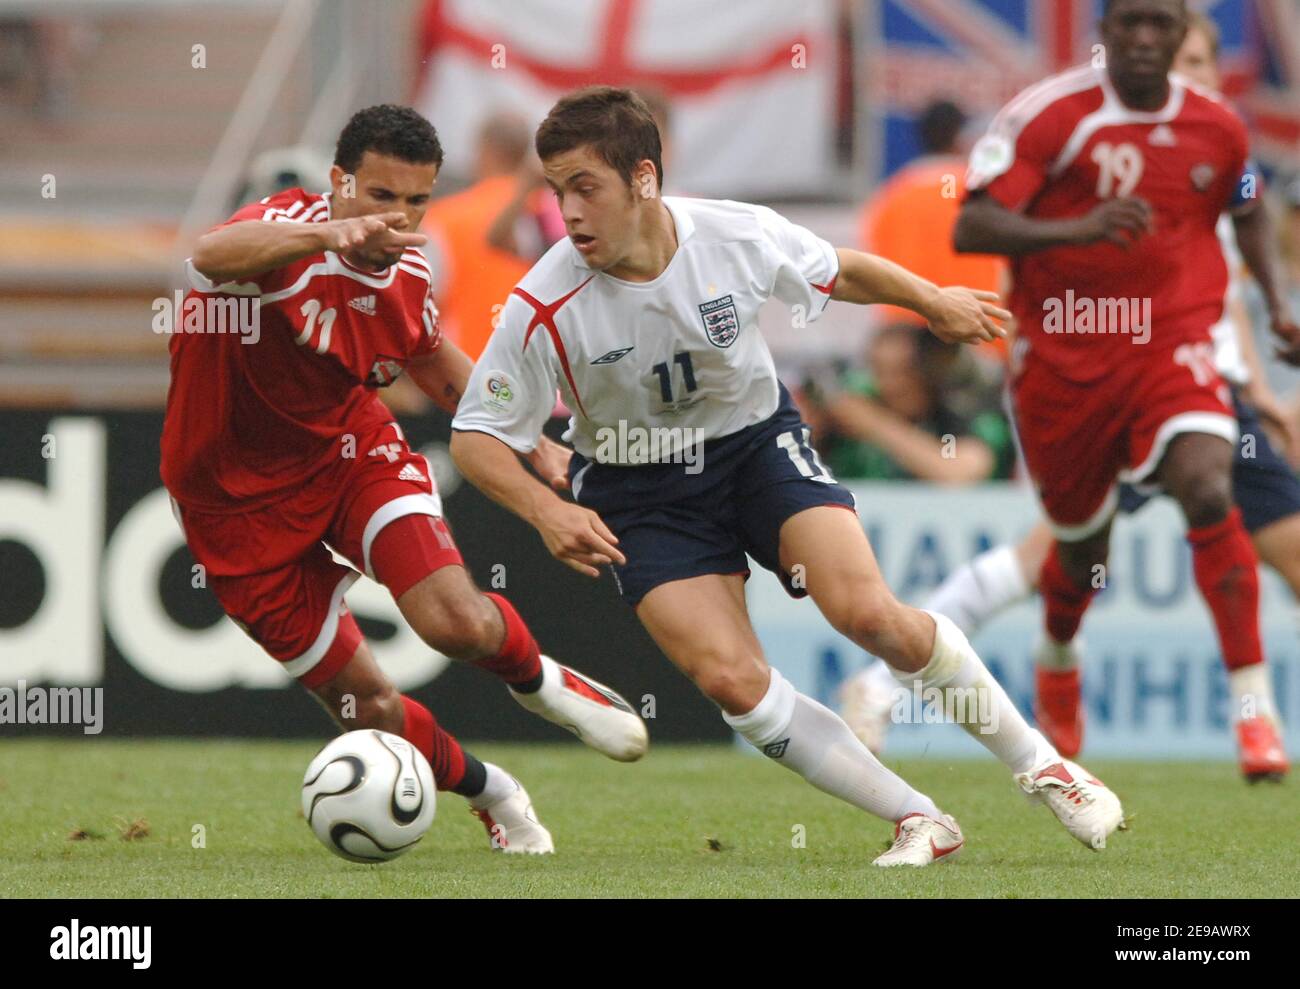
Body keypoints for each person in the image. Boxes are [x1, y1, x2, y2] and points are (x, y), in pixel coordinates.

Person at [450, 85, 1125, 867]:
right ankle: (920, 818)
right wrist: (541, 509)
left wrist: (932, 299)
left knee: (872, 615)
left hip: (754, 451)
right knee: (734, 683)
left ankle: (1045, 767)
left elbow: (840, 271)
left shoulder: (732, 234)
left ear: (642, 179)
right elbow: (474, 436)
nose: (567, 211)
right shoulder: (543, 300)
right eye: (556, 188)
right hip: (639, 493)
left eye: (584, 187)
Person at [161, 104, 648, 856]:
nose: (399, 219)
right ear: (339, 183)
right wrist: (326, 232)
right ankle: (497, 793)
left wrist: (527, 439)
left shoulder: (408, 268)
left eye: (417, 200)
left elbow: (427, 356)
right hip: (231, 506)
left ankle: (544, 682)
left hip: (347, 455)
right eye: (381, 197)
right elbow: (212, 252)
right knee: (368, 705)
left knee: (456, 622)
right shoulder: (284, 235)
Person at [920, 1, 1297, 783]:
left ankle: (1255, 713)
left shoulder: (1219, 125)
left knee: (1205, 483)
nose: (1145, 40)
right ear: (1106, 32)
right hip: (1065, 358)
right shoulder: (1050, 117)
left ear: (1186, 33)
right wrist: (1078, 230)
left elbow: (1250, 206)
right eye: (1130, 24)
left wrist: (1280, 301)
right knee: (1080, 543)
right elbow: (974, 227)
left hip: (1174, 344)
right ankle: (1059, 652)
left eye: (1162, 25)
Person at [859, 100, 1007, 359]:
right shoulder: (985, 192)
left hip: (905, 346)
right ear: (961, 137)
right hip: (981, 336)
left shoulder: (889, 198)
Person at [800, 323, 1015, 483]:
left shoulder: (965, 413)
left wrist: (872, 423)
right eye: (879, 370)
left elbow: (957, 473)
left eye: (904, 371)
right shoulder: (856, 404)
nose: (891, 385)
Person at [421, 111, 537, 360]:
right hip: (527, 364)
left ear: (484, 150)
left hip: (461, 368)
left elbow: (424, 298)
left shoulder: (444, 217)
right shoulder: (550, 214)